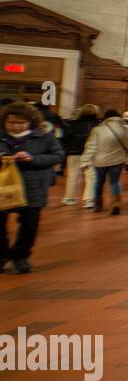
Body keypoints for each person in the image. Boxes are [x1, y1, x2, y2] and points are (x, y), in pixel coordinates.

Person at [0, 101, 65, 273]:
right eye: (11, 122)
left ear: (30, 122)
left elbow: (57, 155)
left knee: (30, 223)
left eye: (20, 123)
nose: (15, 126)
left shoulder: (44, 136)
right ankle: (1, 255)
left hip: (33, 185)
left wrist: (33, 158)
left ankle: (20, 256)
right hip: (3, 186)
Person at [83, 109, 128, 215]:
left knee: (99, 182)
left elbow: (90, 147)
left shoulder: (97, 129)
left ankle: (98, 204)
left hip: (99, 161)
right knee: (115, 182)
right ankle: (116, 204)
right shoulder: (126, 129)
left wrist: (85, 160)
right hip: (117, 160)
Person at [60, 103, 100, 208]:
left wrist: (67, 149)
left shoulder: (71, 124)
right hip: (90, 153)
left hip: (73, 153)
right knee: (91, 176)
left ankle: (69, 198)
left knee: (72, 176)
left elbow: (65, 139)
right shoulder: (98, 125)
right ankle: (88, 201)